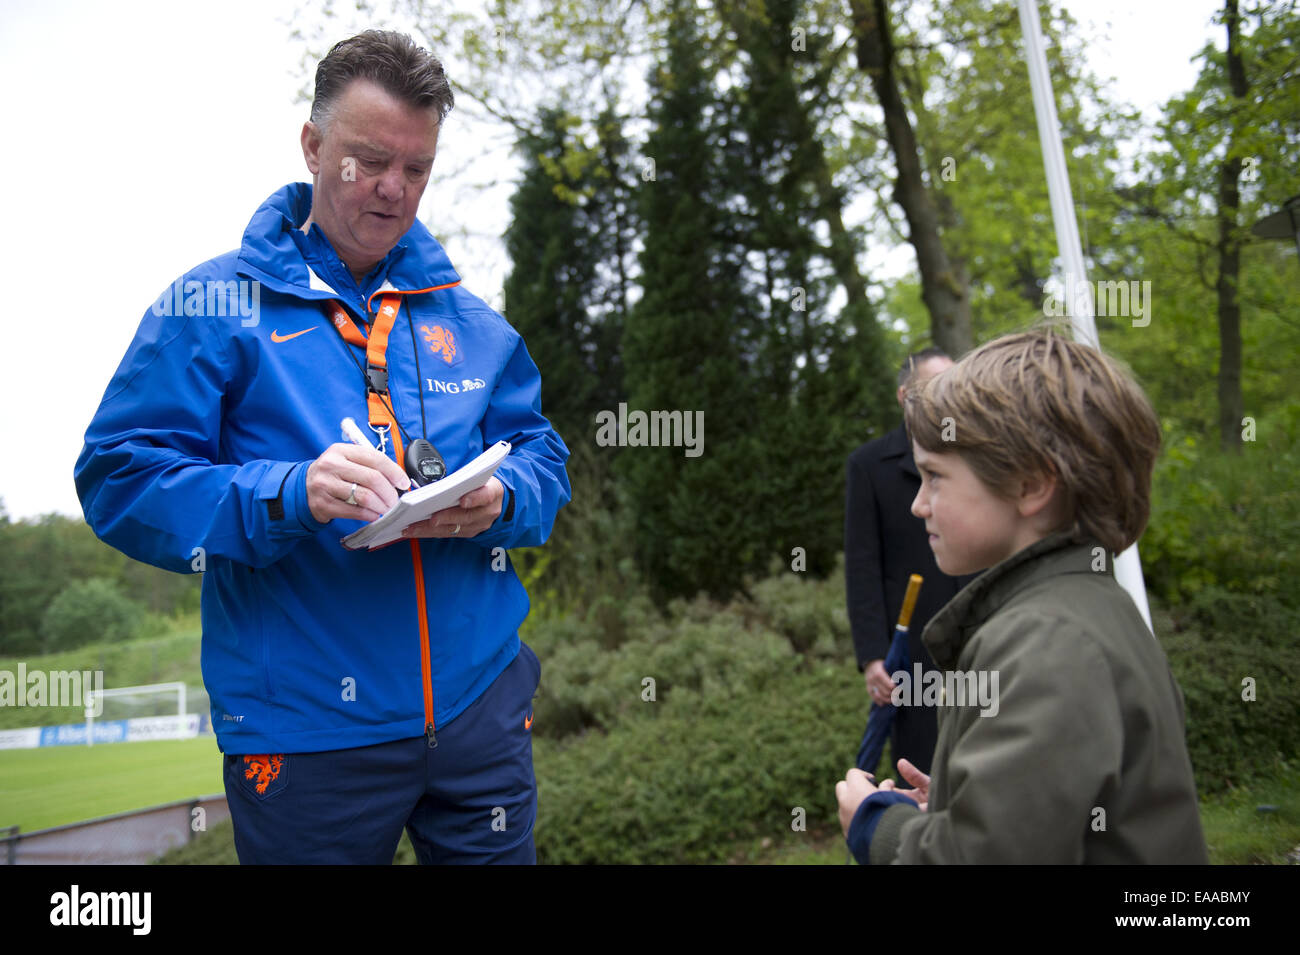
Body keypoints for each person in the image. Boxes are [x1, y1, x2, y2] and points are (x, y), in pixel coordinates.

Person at [74, 30, 571, 864]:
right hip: (306, 737)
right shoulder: (208, 305)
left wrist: (504, 497)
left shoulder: (470, 320)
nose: (393, 189)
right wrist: (287, 493)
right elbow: (119, 480)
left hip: (482, 714)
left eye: (416, 169)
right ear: (312, 145)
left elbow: (543, 456)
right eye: (370, 160)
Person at [834, 329, 1208, 863]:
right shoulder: (1083, 612)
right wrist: (958, 801)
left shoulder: (1045, 643)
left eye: (935, 477)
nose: (919, 504)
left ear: (1031, 485)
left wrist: (880, 828)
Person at [844, 348, 968, 778]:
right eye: (936, 387)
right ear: (904, 396)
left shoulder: (975, 453)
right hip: (912, 648)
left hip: (980, 629)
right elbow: (862, 566)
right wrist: (873, 656)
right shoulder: (868, 465)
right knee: (920, 766)